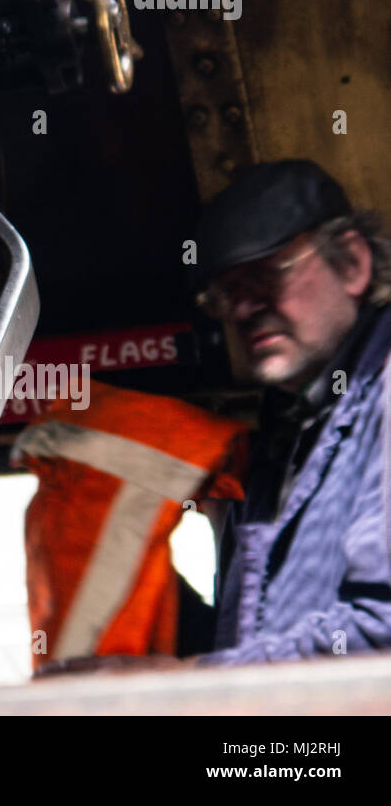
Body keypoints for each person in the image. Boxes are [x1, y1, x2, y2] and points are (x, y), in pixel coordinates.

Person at [191, 159, 391, 664]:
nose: (241, 309)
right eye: (228, 292)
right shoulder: (287, 430)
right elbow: (259, 631)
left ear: (351, 264)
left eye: (267, 273)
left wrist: (185, 676)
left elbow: (381, 630)